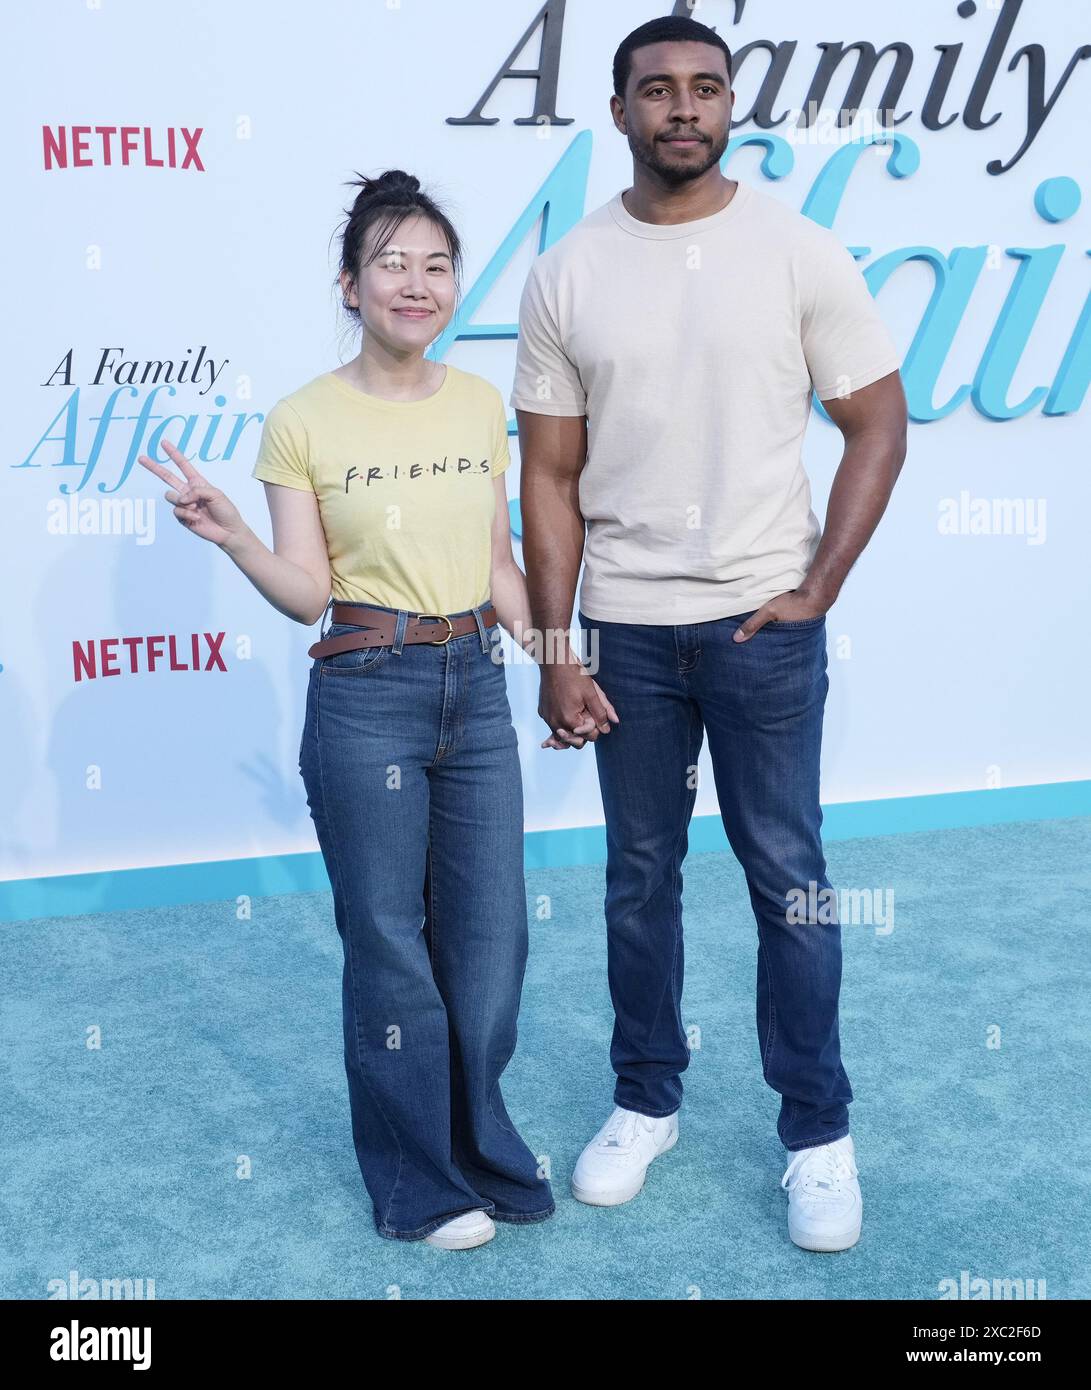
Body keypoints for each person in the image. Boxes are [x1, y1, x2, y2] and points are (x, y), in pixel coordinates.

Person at [139, 169, 611, 1249]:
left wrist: (559, 661)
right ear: (350, 286)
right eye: (391, 264)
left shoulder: (479, 403)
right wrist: (236, 537)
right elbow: (308, 590)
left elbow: (498, 564)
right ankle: (418, 1185)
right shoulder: (301, 419)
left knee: (489, 945)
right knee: (390, 944)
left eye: (436, 265)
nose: (416, 283)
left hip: (473, 689)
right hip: (364, 694)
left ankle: (480, 1150)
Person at [512, 16, 907, 1253]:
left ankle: (816, 1135)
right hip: (625, 631)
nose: (682, 107)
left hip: (759, 628)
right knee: (637, 878)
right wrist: (556, 649)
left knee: (790, 881)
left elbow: (878, 421)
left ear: (729, 105)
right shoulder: (566, 270)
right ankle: (645, 1100)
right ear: (618, 112)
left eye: (704, 88)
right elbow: (547, 478)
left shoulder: (794, 250)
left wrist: (819, 583)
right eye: (656, 90)